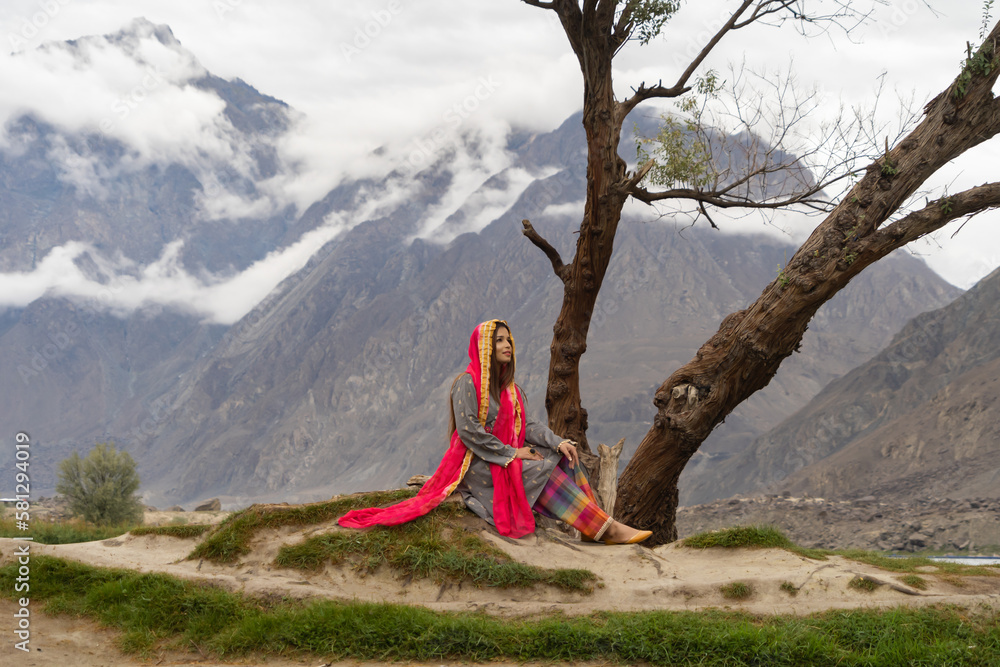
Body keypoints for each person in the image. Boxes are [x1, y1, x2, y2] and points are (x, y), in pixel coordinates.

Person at [339, 319, 652, 544]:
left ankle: (591, 529)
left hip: (500, 457)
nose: (507, 345)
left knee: (565, 457)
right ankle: (606, 530)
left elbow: (526, 425)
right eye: (499, 340)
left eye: (508, 340)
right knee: (533, 467)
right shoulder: (466, 383)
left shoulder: (509, 389)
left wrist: (557, 442)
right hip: (475, 463)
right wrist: (511, 453)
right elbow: (469, 431)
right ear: (484, 346)